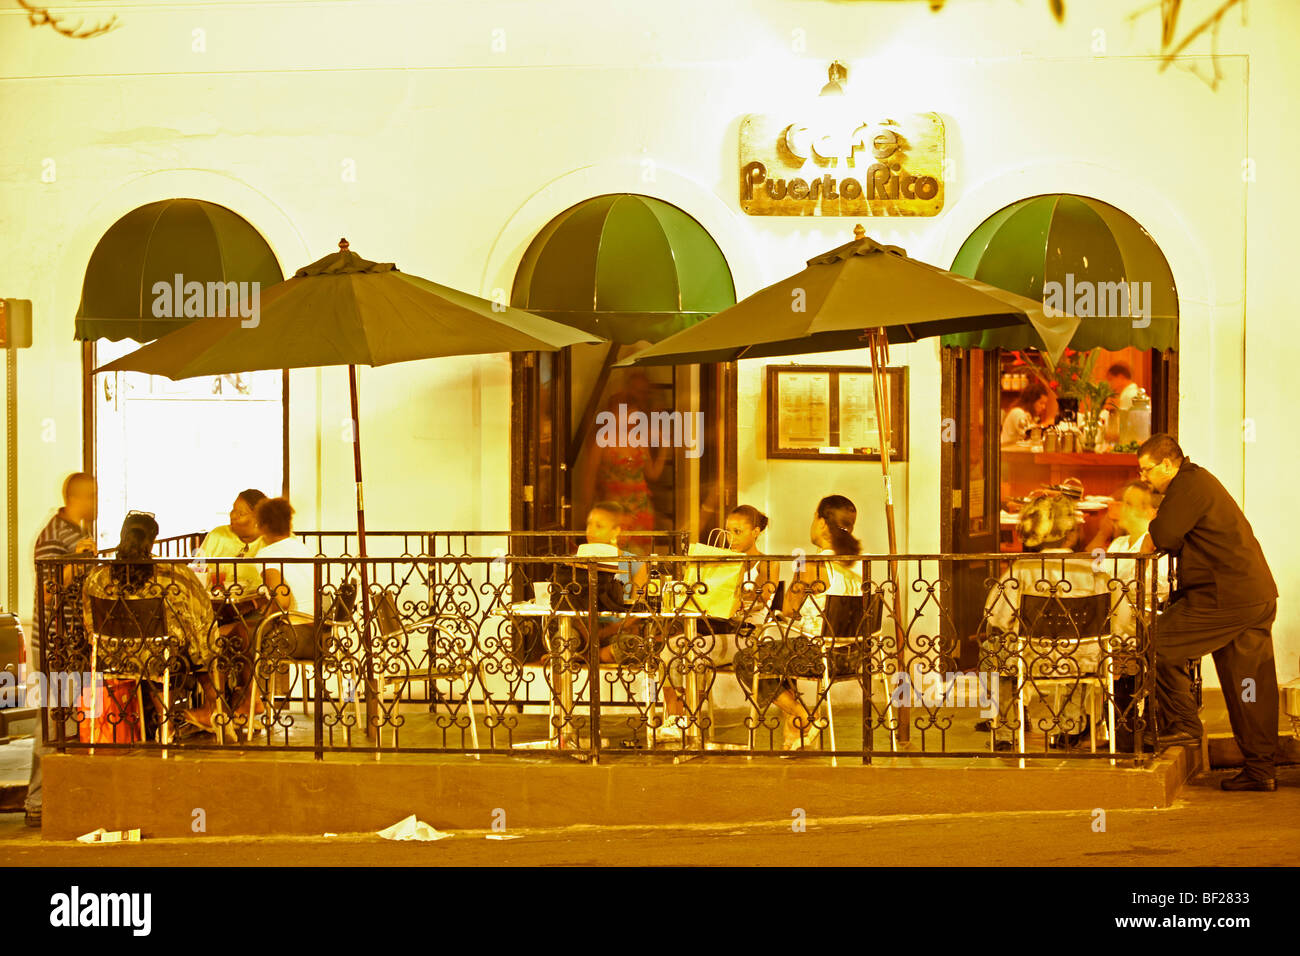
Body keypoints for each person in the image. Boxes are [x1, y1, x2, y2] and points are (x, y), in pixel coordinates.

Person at [1136, 434, 1281, 791]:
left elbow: (1165, 536)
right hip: (1250, 594)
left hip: (1226, 597)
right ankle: (1261, 770)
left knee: (1156, 640)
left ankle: (1183, 725)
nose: (1144, 478)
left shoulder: (1188, 485)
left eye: (1147, 470)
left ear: (1168, 464)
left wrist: (1155, 526)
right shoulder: (1197, 482)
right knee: (1248, 685)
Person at [80, 512, 228, 741]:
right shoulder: (173, 574)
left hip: (113, 658)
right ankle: (209, 714)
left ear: (122, 536)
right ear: (153, 540)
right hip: (162, 661)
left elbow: (89, 624)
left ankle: (168, 722)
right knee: (204, 655)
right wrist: (205, 651)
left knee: (163, 653)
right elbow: (201, 620)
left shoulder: (98, 576)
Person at [981, 492, 1111, 751]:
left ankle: (1006, 729)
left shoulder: (1021, 570)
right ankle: (1070, 725)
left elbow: (997, 617)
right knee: (1081, 651)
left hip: (1032, 658)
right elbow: (1107, 616)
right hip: (1081, 659)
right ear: (1071, 533)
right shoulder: (1092, 570)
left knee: (992, 651)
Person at [734, 495, 864, 750]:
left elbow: (788, 610)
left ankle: (803, 716)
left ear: (822, 523)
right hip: (855, 654)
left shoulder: (812, 563)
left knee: (747, 660)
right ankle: (795, 733)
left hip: (818, 655)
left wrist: (796, 575)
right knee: (779, 650)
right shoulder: (862, 562)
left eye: (814, 518)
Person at [25, 473, 98, 828]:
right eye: (93, 496)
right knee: (51, 723)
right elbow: (48, 593)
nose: (97, 503)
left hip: (74, 645)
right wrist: (75, 563)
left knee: (69, 724)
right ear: (79, 498)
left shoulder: (77, 534)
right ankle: (38, 802)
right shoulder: (53, 537)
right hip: (54, 644)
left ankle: (60, 798)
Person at [577, 370, 670, 554]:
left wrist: (664, 449)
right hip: (614, 510)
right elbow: (589, 479)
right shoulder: (602, 441)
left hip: (641, 508)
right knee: (614, 555)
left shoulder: (639, 440)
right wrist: (586, 513)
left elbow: (652, 474)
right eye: (627, 414)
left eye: (635, 415)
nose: (632, 420)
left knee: (640, 557)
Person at [196, 489, 267, 595]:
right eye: (233, 510)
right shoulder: (218, 535)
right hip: (215, 601)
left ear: (258, 519)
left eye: (240, 513)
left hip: (254, 604)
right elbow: (196, 570)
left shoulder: (270, 541)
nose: (233, 516)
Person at [1000, 381, 1051, 446]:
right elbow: (1028, 433)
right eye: (1041, 403)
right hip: (1007, 451)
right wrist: (1044, 425)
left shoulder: (1030, 415)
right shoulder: (1018, 412)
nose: (1044, 407)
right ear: (1031, 401)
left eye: (1045, 404)